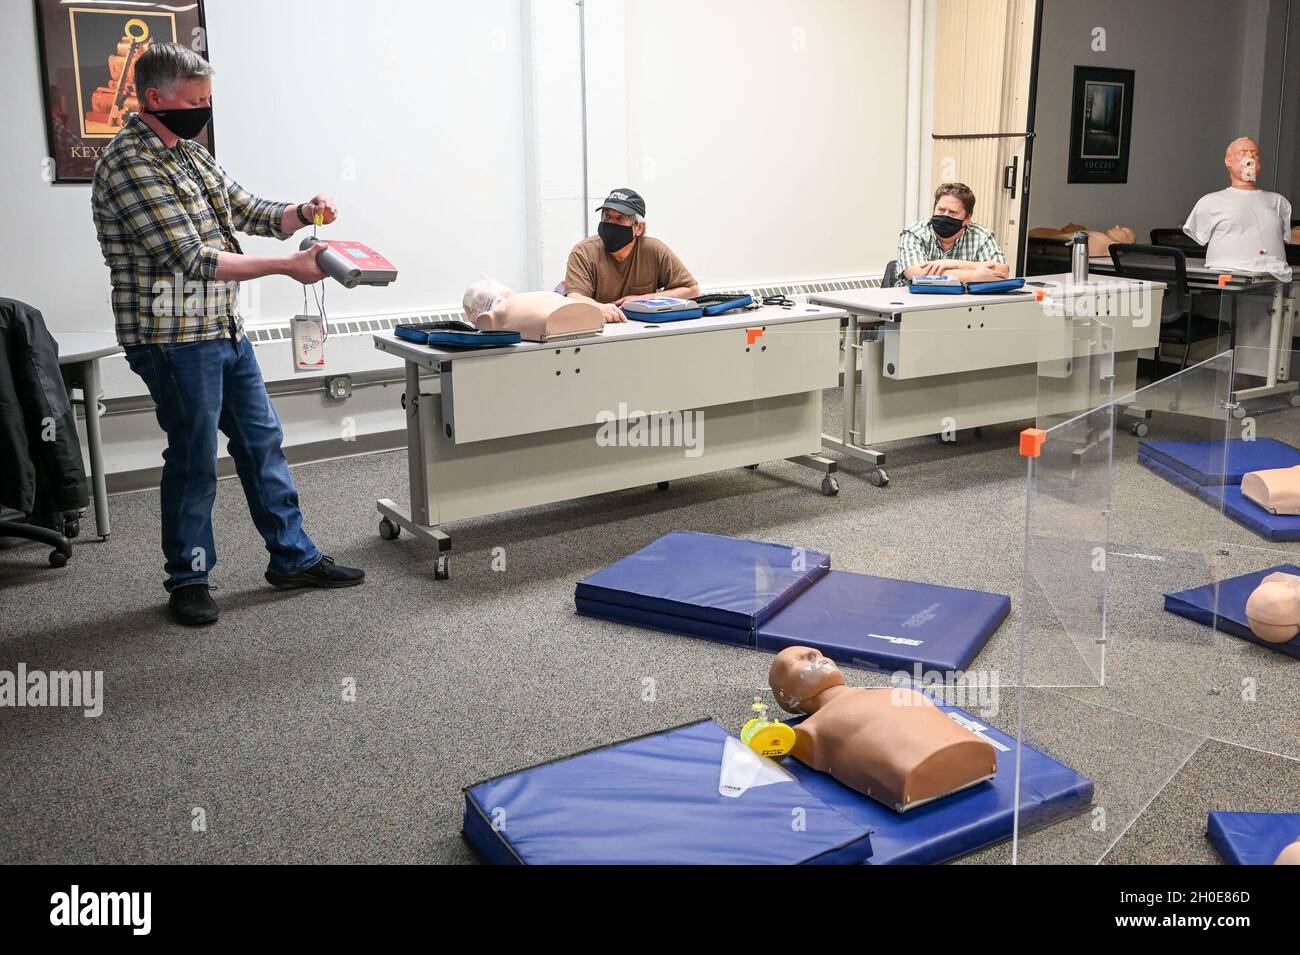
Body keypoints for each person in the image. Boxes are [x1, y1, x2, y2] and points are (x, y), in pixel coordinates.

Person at [91, 44, 363, 627]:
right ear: (155, 98)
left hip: (222, 330)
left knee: (262, 443)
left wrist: (304, 211)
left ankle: (292, 558)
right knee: (193, 459)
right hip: (171, 338)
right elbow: (192, 257)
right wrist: (287, 267)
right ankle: (188, 579)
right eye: (195, 101)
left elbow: (250, 211)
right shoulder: (128, 164)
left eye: (208, 100)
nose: (204, 110)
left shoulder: (190, 153)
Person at [563, 188, 700, 323]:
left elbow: (692, 290)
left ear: (639, 228)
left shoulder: (654, 250)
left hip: (641, 329)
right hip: (600, 328)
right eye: (607, 217)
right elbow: (574, 296)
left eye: (620, 218)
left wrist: (645, 298)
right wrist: (600, 308)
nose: (611, 224)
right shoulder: (584, 252)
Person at [1184, 137, 1293, 281]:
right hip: (1225, 279)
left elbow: (1285, 237)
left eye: (1254, 153)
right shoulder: (1209, 202)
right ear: (1228, 161)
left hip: (1271, 280)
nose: (1250, 157)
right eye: (1243, 153)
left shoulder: (1279, 202)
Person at [894, 182, 1009, 285]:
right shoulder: (914, 233)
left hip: (962, 304)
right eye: (941, 210)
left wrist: (952, 263)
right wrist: (973, 276)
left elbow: (1002, 272)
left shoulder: (982, 236)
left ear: (967, 218)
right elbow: (917, 275)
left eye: (952, 212)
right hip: (916, 304)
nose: (945, 215)